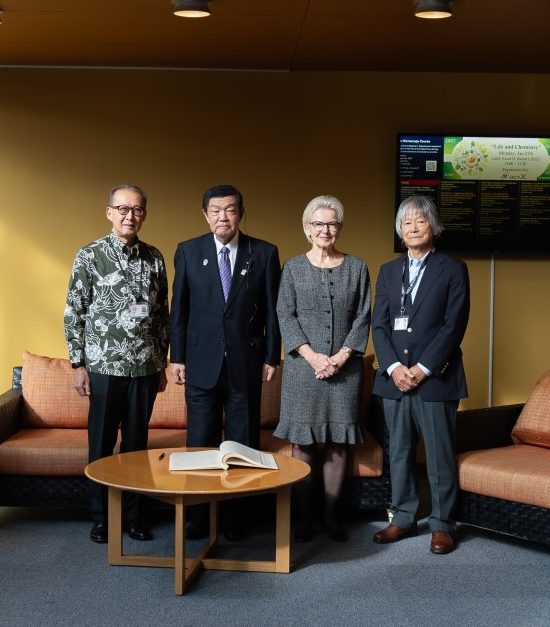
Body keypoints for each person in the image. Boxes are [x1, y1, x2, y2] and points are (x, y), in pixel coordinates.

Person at [169, 184, 281, 540]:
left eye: (230, 210)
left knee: (242, 445)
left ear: (240, 213)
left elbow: (273, 310)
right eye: (215, 211)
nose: (223, 217)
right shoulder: (188, 251)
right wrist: (176, 357)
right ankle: (198, 518)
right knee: (199, 444)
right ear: (205, 215)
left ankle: (235, 519)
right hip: (200, 363)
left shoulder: (264, 253)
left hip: (245, 364)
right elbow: (178, 309)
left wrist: (272, 355)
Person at [64, 184, 169, 545]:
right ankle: (102, 518)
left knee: (136, 448)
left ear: (144, 214)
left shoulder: (155, 258)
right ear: (109, 212)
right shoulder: (90, 255)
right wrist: (78, 365)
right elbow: (74, 312)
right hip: (104, 367)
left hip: (145, 367)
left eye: (137, 209)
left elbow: (162, 314)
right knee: (101, 446)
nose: (130, 216)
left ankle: (133, 517)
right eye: (123, 209)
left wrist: (162, 362)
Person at [370, 195, 470, 555]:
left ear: (433, 227)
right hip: (394, 380)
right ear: (400, 231)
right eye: (406, 223)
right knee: (398, 452)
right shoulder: (388, 271)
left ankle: (442, 525)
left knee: (440, 455)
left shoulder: (453, 269)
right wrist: (394, 367)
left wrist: (422, 369)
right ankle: (403, 518)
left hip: (436, 378)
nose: (413, 228)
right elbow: (379, 325)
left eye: (420, 221)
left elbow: (453, 326)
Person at [274, 195, 371, 543]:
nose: (325, 230)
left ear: (339, 228)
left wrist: (341, 357)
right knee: (303, 443)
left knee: (338, 443)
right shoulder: (292, 268)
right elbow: (285, 315)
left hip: (346, 371)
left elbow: (363, 316)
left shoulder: (357, 267)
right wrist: (313, 357)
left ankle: (330, 515)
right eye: (318, 224)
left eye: (331, 223)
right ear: (307, 228)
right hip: (303, 370)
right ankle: (304, 517)